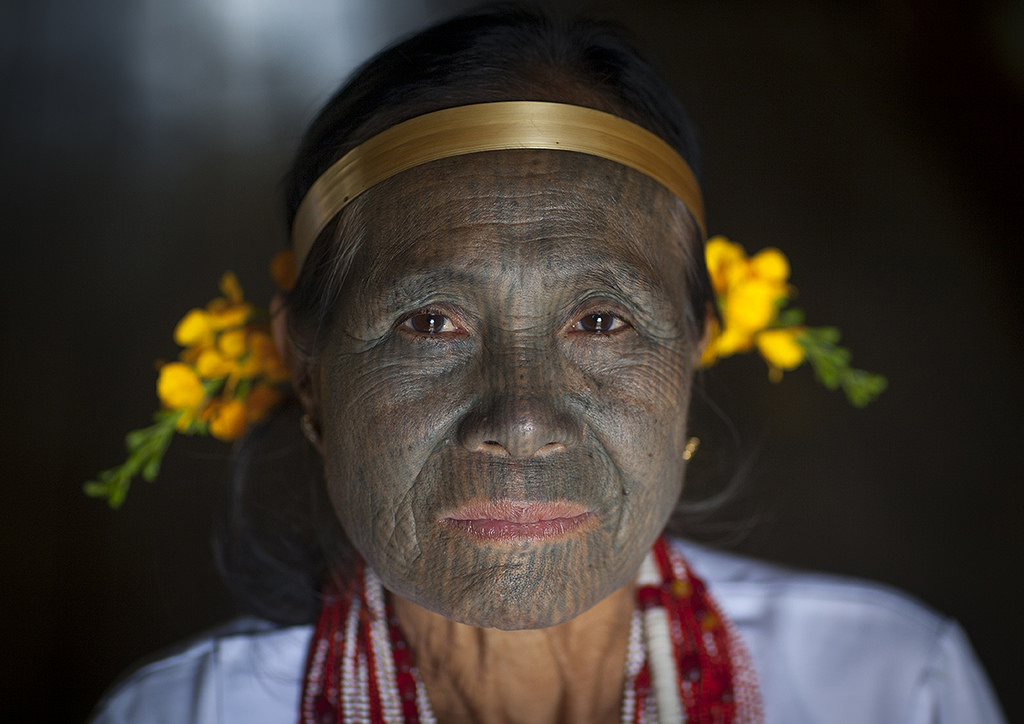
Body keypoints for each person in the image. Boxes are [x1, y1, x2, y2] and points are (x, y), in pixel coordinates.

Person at [90, 7, 1005, 723]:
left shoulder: (891, 689)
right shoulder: (182, 715)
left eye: (602, 321)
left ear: (691, 353)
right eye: (432, 322)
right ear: (309, 371)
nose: (522, 418)